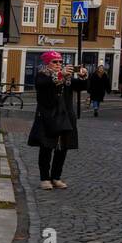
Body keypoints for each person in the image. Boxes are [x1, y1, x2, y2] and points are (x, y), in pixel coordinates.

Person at [28, 50, 88, 191]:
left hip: (65, 117)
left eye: (60, 61)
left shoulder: (66, 78)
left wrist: (83, 76)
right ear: (47, 63)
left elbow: (80, 87)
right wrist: (61, 74)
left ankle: (56, 177)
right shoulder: (42, 75)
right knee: (46, 148)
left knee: (62, 149)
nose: (58, 64)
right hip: (48, 117)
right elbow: (45, 84)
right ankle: (44, 178)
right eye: (55, 62)